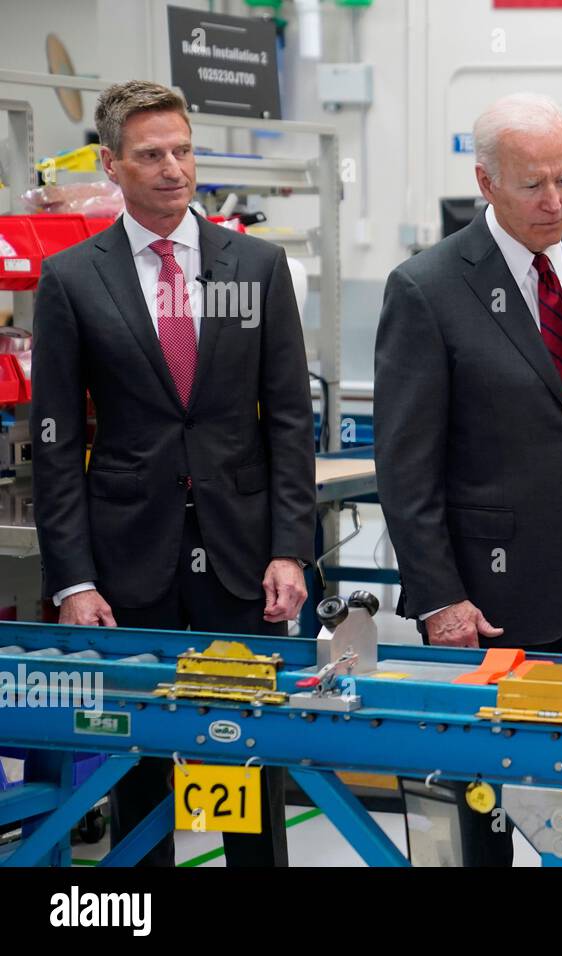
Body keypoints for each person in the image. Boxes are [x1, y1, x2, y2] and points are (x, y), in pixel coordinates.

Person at [374, 92, 562, 865]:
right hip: (488, 602)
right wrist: (438, 597)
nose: (554, 200)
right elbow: (406, 468)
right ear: (486, 182)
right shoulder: (427, 288)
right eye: (533, 183)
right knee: (487, 810)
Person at [31, 80, 315, 866]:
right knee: (140, 763)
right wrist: (73, 580)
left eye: (183, 151)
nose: (172, 169)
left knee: (248, 756)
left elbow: (291, 420)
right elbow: (54, 442)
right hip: (129, 562)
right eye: (150, 155)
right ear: (112, 165)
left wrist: (292, 547)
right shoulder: (74, 279)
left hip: (245, 557)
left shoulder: (254, 267)